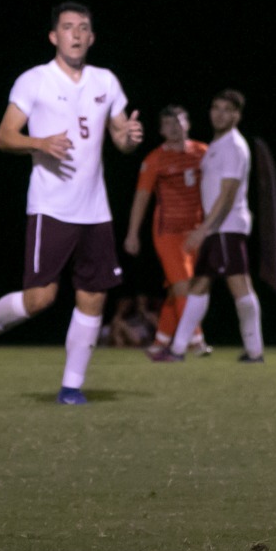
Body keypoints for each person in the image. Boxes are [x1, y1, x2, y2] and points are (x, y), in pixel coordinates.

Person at [0, 1, 143, 404]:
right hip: (51, 206)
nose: (75, 34)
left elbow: (120, 138)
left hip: (95, 210)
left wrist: (130, 137)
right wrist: (40, 142)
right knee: (40, 299)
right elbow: (3, 136)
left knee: (93, 296)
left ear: (91, 37)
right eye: (67, 27)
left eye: (83, 28)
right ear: (54, 36)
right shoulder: (33, 81)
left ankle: (71, 386)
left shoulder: (106, 81)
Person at [165, 91, 265, 363]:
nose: (219, 114)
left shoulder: (233, 146)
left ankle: (255, 351)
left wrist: (203, 228)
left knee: (239, 287)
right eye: (216, 108)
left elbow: (227, 193)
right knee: (200, 285)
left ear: (237, 115)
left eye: (227, 110)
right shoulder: (217, 145)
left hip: (226, 228)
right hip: (218, 229)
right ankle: (177, 349)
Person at [124, 106, 211, 360]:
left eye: (178, 122)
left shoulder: (203, 152)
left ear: (188, 124)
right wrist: (132, 234)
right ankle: (196, 341)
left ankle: (159, 342)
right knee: (185, 288)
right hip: (168, 232)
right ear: (161, 129)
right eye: (167, 123)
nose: (173, 127)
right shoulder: (154, 159)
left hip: (197, 232)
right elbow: (141, 198)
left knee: (178, 290)